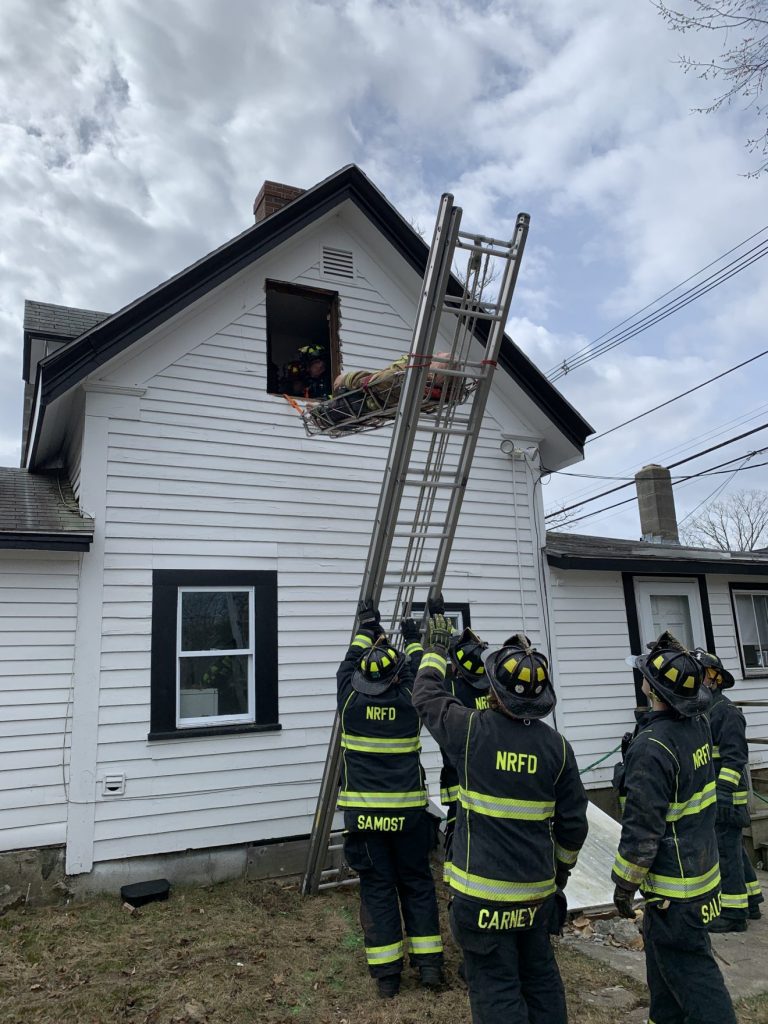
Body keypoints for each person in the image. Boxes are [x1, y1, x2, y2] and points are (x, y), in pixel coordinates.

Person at [412, 607, 588, 1023]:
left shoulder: (470, 730)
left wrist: (435, 651)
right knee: (541, 981)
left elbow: (426, 696)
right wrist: (558, 876)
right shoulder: (558, 750)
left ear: (493, 688)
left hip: (481, 900)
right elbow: (573, 827)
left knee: (495, 990)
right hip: (535, 896)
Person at [612, 631, 737, 1024]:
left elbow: (641, 831)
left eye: (645, 676)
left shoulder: (653, 747)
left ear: (652, 688)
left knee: (696, 979)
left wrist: (623, 884)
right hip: (700, 877)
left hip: (674, 893)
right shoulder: (696, 724)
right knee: (664, 979)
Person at [337, 601, 444, 999]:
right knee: (417, 883)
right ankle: (430, 966)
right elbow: (421, 675)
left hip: (365, 820)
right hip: (409, 815)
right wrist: (413, 640)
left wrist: (369, 627)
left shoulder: (349, 702)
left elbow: (347, 665)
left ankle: (387, 977)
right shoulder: (408, 703)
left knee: (378, 888)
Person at [402, 615, 490, 874]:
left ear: (457, 669)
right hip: (490, 782)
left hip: (459, 783)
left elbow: (424, 675)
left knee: (459, 833)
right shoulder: (492, 691)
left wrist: (412, 641)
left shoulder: (451, 689)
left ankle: (456, 879)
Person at [695, 648, 764, 930]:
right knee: (733, 849)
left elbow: (735, 759)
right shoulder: (706, 711)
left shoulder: (726, 713)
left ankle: (733, 915)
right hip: (716, 795)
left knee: (725, 853)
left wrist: (723, 794)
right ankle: (750, 902)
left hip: (726, 798)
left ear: (715, 680)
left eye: (701, 677)